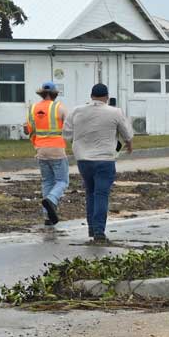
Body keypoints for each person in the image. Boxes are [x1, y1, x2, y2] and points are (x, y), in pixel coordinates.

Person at [62, 83, 133, 244]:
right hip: (105, 160)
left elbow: (66, 133)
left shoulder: (77, 111)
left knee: (90, 193)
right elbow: (127, 133)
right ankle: (99, 230)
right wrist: (128, 144)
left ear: (91, 96)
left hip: (83, 160)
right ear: (107, 97)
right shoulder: (115, 112)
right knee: (101, 194)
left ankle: (92, 228)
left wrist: (78, 139)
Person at [23, 81, 69, 226]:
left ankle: (47, 216)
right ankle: (52, 199)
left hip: (41, 150)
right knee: (62, 181)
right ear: (55, 94)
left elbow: (28, 130)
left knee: (47, 182)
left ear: (41, 93)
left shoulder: (33, 108)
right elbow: (69, 127)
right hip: (57, 150)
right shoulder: (59, 107)